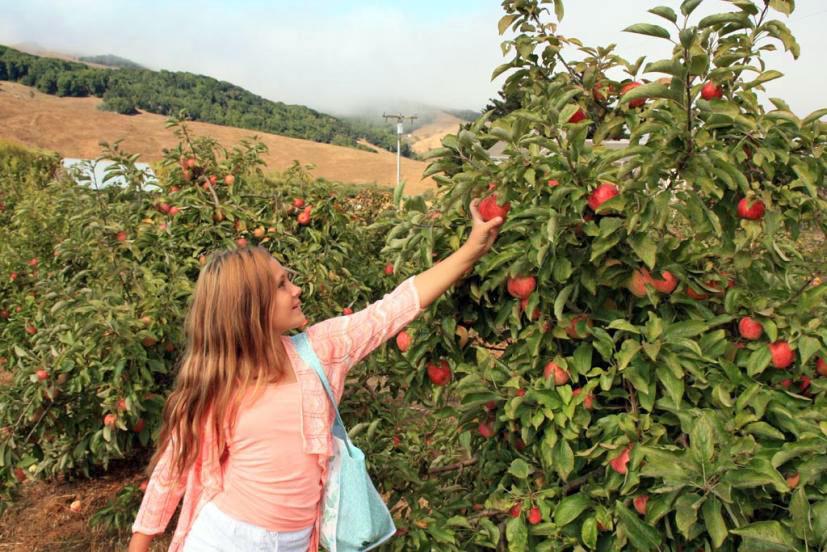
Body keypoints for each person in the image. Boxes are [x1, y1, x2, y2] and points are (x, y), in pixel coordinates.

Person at [128, 199, 503, 552]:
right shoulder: (218, 382)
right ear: (248, 306)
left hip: (296, 542)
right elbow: (170, 473)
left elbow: (393, 309)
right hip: (227, 538)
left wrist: (472, 249)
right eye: (281, 285)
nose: (296, 289)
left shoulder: (318, 351)